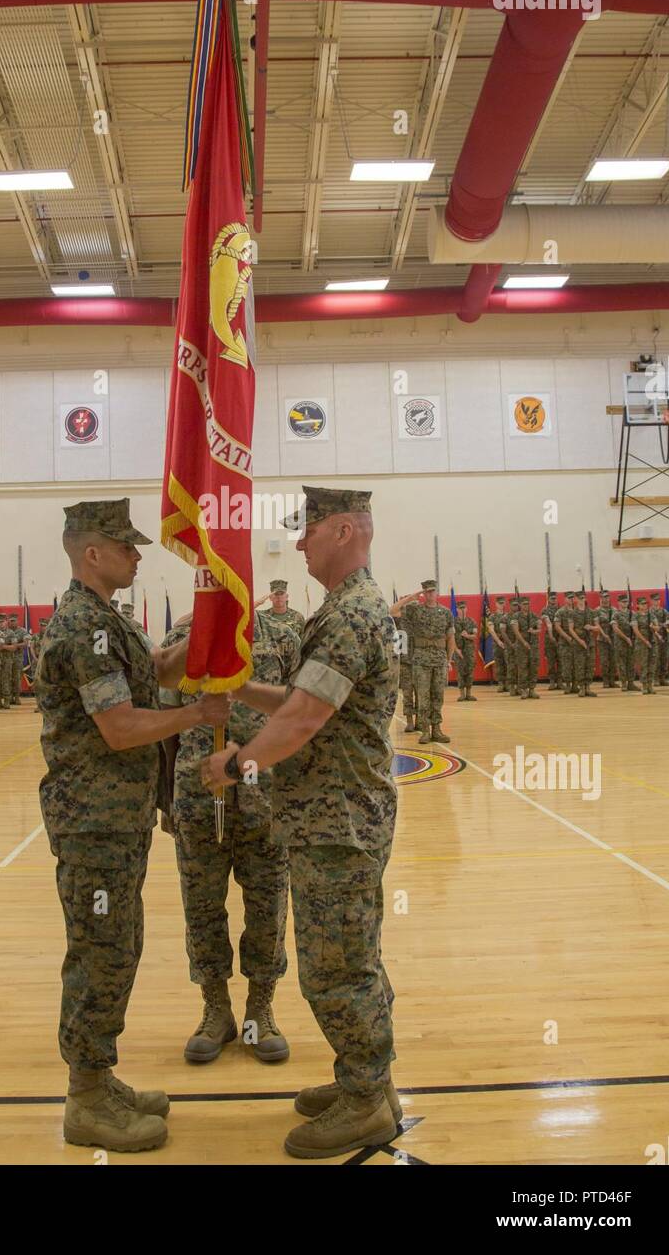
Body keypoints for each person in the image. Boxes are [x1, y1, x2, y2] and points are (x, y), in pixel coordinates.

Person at [200, 485, 401, 1160]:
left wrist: (235, 764)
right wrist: (236, 692)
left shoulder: (349, 614)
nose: (298, 543)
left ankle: (366, 1101)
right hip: (336, 816)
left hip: (336, 820)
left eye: (308, 530)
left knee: (335, 968)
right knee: (352, 957)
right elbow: (300, 698)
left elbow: (301, 722)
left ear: (343, 530)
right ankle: (366, 1079)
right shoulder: (351, 609)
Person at [35, 499, 228, 1154]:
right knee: (100, 956)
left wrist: (206, 621)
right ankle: (85, 1098)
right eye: (126, 547)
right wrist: (197, 714)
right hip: (94, 821)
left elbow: (154, 675)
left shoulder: (104, 621)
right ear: (92, 553)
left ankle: (99, 1077)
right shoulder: (80, 628)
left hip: (116, 819)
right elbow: (120, 728)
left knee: (118, 949)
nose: (138, 555)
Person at [161, 606, 298, 1065]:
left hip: (267, 797)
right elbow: (165, 725)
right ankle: (215, 1008)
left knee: (268, 906)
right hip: (198, 794)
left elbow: (298, 717)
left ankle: (261, 1008)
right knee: (201, 905)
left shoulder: (282, 636)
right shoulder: (183, 636)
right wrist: (166, 798)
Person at [402, 580, 455, 744]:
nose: (430, 594)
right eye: (427, 592)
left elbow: (450, 637)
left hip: (439, 659)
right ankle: (425, 731)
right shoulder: (415, 610)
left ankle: (437, 729)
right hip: (421, 659)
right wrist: (412, 597)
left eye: (432, 591)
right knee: (423, 696)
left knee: (438, 696)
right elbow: (394, 611)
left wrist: (449, 659)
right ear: (423, 593)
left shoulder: (446, 613)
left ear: (436, 592)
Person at [390, 595, 418, 731]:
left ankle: (421, 721)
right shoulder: (401, 620)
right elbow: (390, 611)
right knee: (407, 694)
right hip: (406, 662)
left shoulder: (422, 620)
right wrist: (407, 599)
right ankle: (409, 721)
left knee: (422, 694)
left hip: (420, 662)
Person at [510, 595, 540, 699]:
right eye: (524, 604)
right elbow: (516, 631)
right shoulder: (516, 616)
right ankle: (523, 690)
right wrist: (524, 642)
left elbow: (539, 629)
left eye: (527, 604)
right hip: (522, 646)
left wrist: (534, 631)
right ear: (520, 605)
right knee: (522, 667)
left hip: (533, 645)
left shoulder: (534, 616)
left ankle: (532, 689)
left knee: (533, 667)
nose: (526, 606)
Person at [453, 600, 478, 701]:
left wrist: (467, 635)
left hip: (469, 650)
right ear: (457, 609)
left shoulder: (471, 621)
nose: (462, 610)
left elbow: (475, 636)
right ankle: (462, 694)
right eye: (460, 608)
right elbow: (451, 637)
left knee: (470, 671)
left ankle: (469, 693)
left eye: (464, 608)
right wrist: (456, 649)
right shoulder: (453, 622)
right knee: (460, 672)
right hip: (458, 649)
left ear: (466, 609)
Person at [611, 593, 637, 691]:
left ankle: (631, 683)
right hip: (620, 642)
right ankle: (624, 683)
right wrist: (626, 638)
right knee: (621, 663)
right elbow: (615, 628)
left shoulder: (632, 613)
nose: (625, 603)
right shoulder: (616, 614)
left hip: (631, 641)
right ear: (618, 603)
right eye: (623, 602)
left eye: (626, 602)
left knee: (631, 663)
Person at [594, 592, 618, 689]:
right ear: (601, 599)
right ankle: (606, 681)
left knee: (613, 660)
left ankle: (612, 680)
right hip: (602, 639)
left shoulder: (614, 610)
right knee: (604, 661)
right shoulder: (597, 611)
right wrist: (604, 635)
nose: (606, 599)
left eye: (607, 597)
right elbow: (597, 624)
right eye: (604, 598)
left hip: (614, 639)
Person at [632, 595, 655, 695]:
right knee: (643, 664)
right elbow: (636, 630)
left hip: (652, 642)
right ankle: (644, 685)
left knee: (652, 664)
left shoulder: (651, 615)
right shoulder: (635, 616)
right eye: (642, 604)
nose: (644, 605)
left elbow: (657, 626)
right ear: (637, 605)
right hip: (641, 643)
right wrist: (645, 641)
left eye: (645, 603)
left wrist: (654, 627)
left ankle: (650, 685)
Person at [487, 596, 509, 693]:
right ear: (496, 604)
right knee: (499, 664)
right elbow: (491, 630)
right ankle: (501, 683)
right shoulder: (492, 616)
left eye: (502, 603)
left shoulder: (508, 616)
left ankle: (509, 683)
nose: (501, 605)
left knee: (509, 663)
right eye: (499, 603)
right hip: (497, 644)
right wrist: (499, 641)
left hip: (507, 643)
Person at [540, 590, 560, 690]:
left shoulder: (560, 609)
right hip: (550, 638)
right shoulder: (545, 610)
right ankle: (552, 681)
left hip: (560, 638)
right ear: (548, 599)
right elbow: (548, 623)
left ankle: (560, 682)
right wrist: (552, 636)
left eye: (555, 598)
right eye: (552, 598)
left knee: (561, 660)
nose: (554, 600)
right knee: (551, 661)